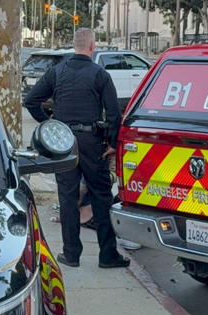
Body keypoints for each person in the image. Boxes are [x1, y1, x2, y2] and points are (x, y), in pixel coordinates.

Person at [24, 28, 130, 267]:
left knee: (68, 198)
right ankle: (107, 255)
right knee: (102, 197)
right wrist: (113, 144)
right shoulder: (100, 74)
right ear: (92, 47)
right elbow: (114, 114)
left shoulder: (56, 72)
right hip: (93, 143)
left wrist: (51, 126)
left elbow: (30, 100)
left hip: (65, 145)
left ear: (74, 46)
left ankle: (71, 255)